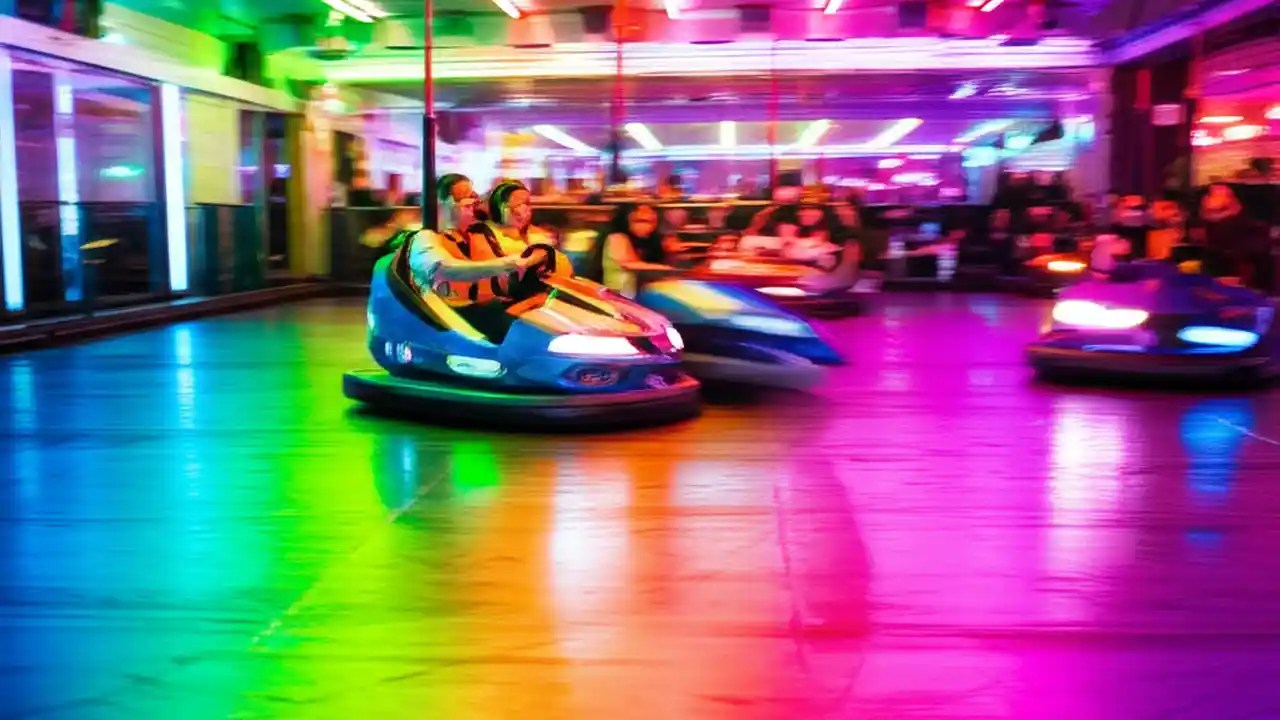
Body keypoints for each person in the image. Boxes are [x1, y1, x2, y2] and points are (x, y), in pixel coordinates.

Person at [404, 173, 536, 305]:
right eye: (467, 199)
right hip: (454, 316)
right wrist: (504, 265)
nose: (474, 204)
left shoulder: (475, 235)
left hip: (488, 307)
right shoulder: (424, 239)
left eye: (474, 198)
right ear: (442, 204)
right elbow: (442, 269)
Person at [587, 203, 682, 297]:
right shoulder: (617, 237)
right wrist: (663, 268)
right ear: (627, 219)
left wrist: (671, 253)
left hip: (630, 295)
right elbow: (627, 264)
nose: (646, 226)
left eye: (652, 221)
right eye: (640, 221)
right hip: (617, 296)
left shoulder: (641, 242)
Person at [485, 180, 555, 255]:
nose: (528, 209)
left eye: (527, 203)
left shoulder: (540, 235)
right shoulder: (484, 232)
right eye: (520, 204)